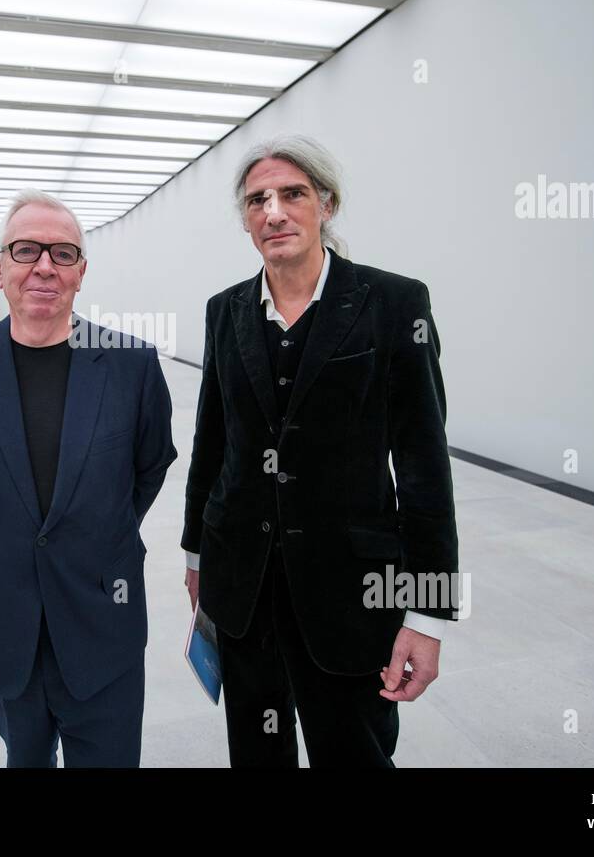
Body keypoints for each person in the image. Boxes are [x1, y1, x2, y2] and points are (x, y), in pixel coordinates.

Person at [182, 136, 460, 767]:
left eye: (292, 194)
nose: (274, 212)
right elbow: (212, 441)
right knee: (258, 755)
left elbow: (423, 464)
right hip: (243, 588)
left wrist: (428, 613)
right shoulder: (225, 311)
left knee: (355, 755)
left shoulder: (393, 304)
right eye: (258, 200)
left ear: (326, 204)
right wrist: (197, 553)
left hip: (353, 594)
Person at [0, 189, 177, 767]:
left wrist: (96, 532)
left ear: (81, 272)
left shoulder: (130, 363)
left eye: (63, 254)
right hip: (4, 628)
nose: (44, 266)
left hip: (101, 624)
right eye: (26, 250)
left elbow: (150, 465)